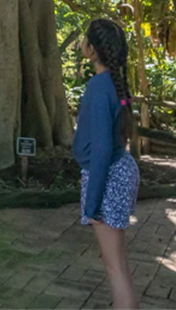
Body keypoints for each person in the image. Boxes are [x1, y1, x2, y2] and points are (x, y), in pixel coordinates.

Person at [74, 18, 140, 309]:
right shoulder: (113, 84)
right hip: (120, 169)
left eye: (85, 39)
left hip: (108, 175)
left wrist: (91, 204)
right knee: (118, 263)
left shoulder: (99, 88)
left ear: (92, 49)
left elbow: (100, 150)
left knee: (114, 267)